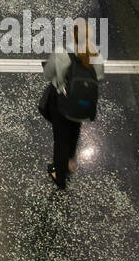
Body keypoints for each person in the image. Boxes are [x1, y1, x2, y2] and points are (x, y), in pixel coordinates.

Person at [42, 23, 103, 189]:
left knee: (60, 139)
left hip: (62, 102)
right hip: (82, 102)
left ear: (73, 35)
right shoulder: (95, 54)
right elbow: (99, 75)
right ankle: (69, 161)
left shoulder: (62, 52)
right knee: (75, 129)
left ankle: (59, 176)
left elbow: (48, 73)